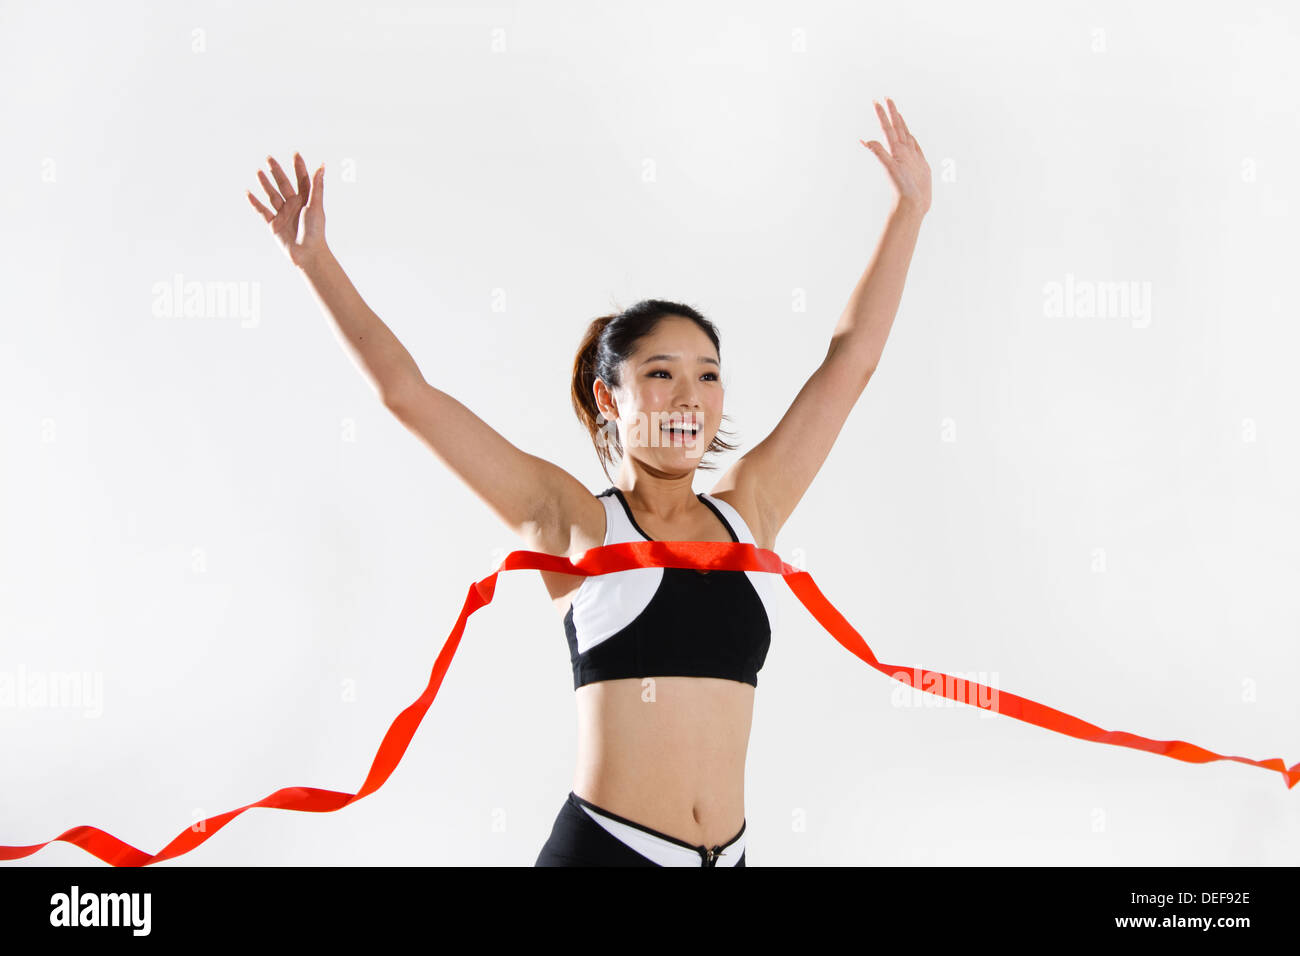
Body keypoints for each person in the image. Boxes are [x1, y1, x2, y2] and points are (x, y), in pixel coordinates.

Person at [245, 98, 931, 866]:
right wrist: (317, 264)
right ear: (612, 397)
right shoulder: (575, 523)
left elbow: (851, 361)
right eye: (660, 374)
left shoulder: (752, 512)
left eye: (707, 376)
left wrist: (909, 209)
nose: (687, 396)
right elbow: (410, 394)